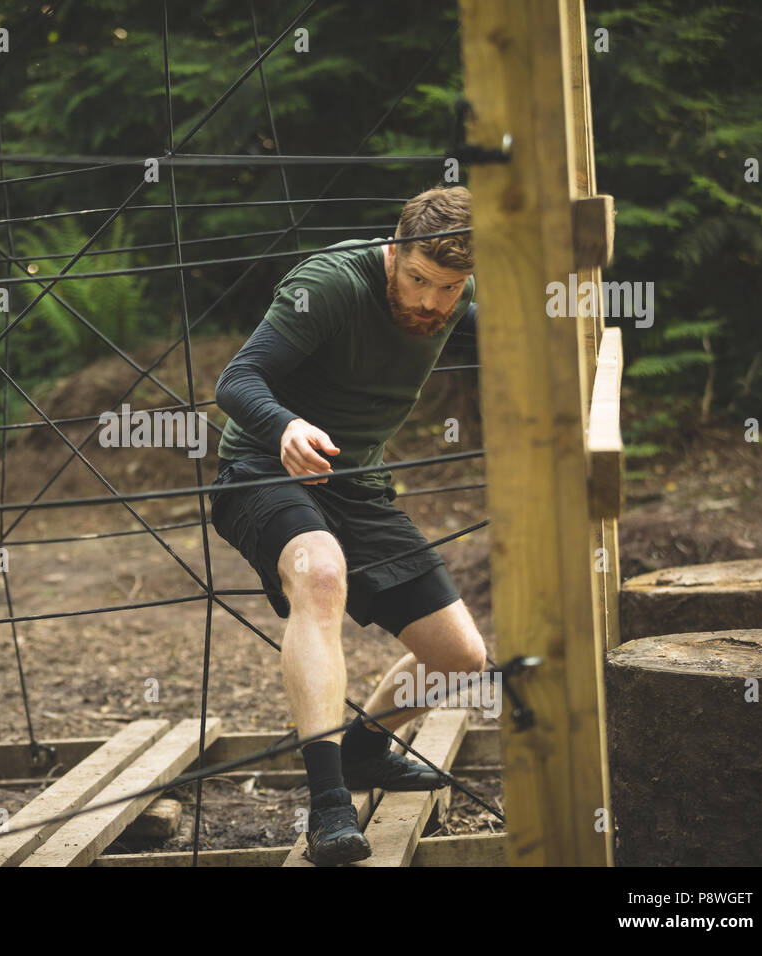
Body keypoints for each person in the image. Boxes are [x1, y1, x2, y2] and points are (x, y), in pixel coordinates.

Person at [210, 185, 488, 865]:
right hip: (262, 470)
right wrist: (285, 426)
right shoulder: (331, 283)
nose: (428, 302)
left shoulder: (463, 299)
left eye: (448, 289)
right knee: (321, 573)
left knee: (459, 659)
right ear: (394, 252)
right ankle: (329, 806)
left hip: (357, 486)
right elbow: (236, 380)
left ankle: (367, 749)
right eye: (418, 278)